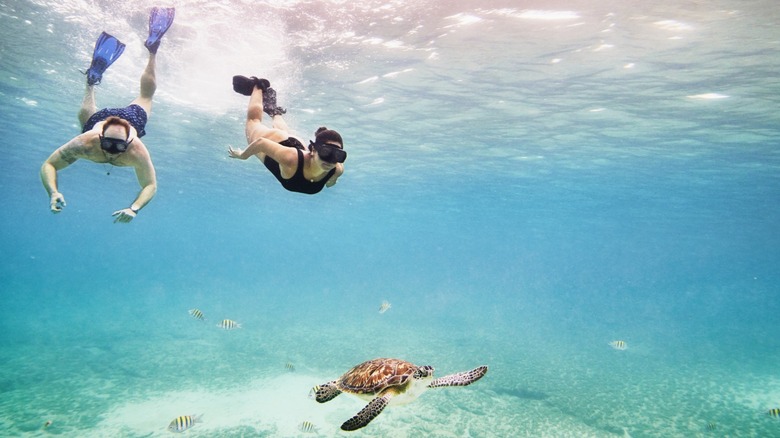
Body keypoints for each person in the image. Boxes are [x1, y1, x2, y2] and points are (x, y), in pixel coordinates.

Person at [40, 7, 175, 223]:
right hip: (101, 123)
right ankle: (150, 51)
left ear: (130, 142)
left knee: (95, 115)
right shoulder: (85, 142)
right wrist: (53, 192)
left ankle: (94, 80)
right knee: (144, 97)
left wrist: (134, 208)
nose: (113, 152)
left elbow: (151, 185)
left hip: (127, 119)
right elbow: (48, 165)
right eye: (109, 146)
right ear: (99, 139)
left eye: (119, 147)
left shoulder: (137, 150)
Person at [228, 76, 346, 195]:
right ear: (313, 150)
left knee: (285, 133)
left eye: (337, 155)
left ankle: (274, 111)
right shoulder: (290, 158)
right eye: (326, 152)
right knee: (253, 122)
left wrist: (332, 180)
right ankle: (258, 86)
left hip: (296, 146)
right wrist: (243, 155)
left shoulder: (336, 169)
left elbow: (332, 177)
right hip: (280, 144)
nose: (331, 160)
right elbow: (261, 143)